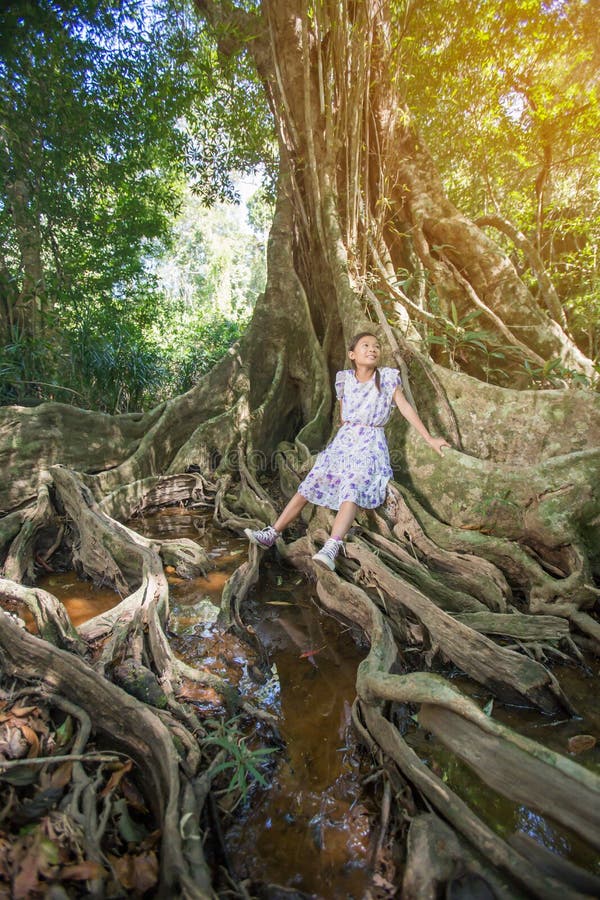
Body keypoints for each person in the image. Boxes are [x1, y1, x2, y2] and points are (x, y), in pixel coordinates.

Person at [245, 332, 450, 570]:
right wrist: (346, 434)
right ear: (352, 354)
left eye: (376, 346)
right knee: (310, 483)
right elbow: (343, 416)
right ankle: (273, 533)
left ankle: (332, 547)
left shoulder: (387, 378)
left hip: (371, 443)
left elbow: (405, 408)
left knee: (353, 485)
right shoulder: (345, 380)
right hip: (344, 442)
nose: (372, 349)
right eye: (365, 345)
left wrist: (430, 439)